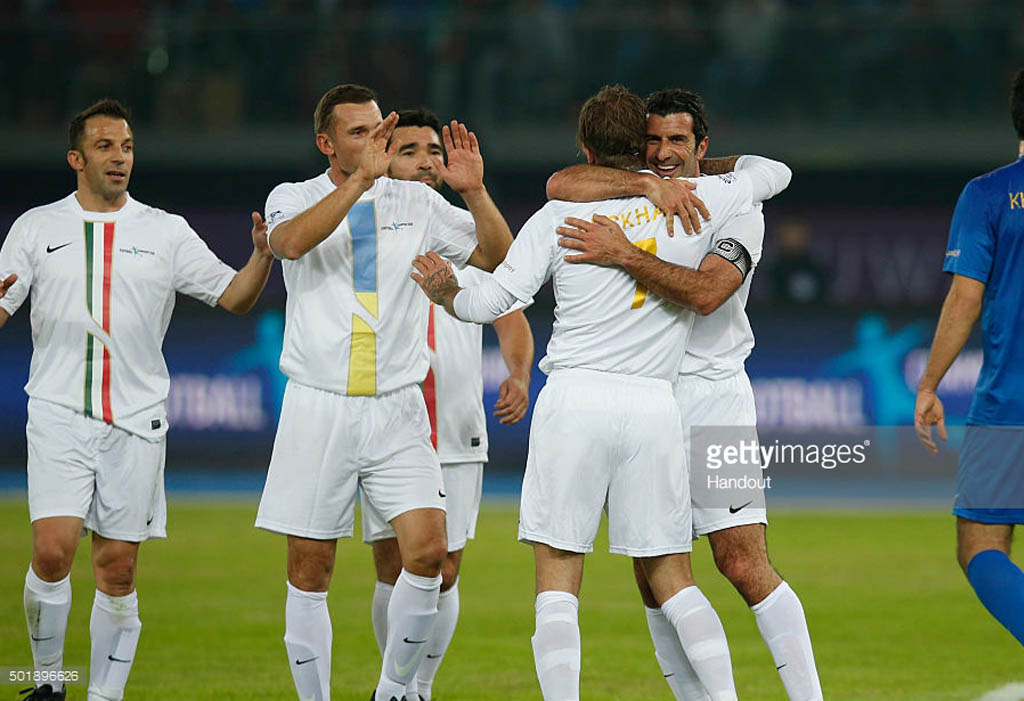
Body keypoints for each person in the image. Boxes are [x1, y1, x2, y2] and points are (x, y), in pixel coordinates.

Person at [412, 84, 791, 701]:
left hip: (577, 401)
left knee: (558, 580)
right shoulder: (696, 203)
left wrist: (445, 290)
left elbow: (491, 301)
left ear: (585, 146)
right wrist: (682, 177)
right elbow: (772, 174)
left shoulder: (561, 216)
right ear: (641, 145)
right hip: (654, 407)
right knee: (674, 579)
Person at [547, 88, 822, 701]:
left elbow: (706, 293)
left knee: (741, 561)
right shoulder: (632, 194)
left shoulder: (737, 206)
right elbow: (561, 181)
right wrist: (648, 186)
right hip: (647, 401)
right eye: (654, 141)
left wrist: (625, 254)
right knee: (653, 572)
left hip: (715, 402)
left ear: (703, 146)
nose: (665, 153)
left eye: (678, 141)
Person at [0, 98, 274, 701]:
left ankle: (105, 695)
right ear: (76, 158)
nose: (119, 157)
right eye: (104, 146)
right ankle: (48, 683)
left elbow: (233, 297)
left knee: (117, 568)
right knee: (52, 552)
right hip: (56, 412)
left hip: (136, 419)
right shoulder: (36, 227)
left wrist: (262, 255)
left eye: (126, 146)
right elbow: (3, 307)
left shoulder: (165, 231)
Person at [253, 84, 513, 701]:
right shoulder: (294, 196)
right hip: (320, 404)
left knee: (428, 552)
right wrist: (359, 183)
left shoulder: (416, 202)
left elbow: (498, 257)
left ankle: (394, 691)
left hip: (398, 406)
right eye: (357, 133)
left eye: (378, 130)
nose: (373, 142)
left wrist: (474, 192)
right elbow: (288, 245)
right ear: (326, 143)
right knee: (310, 570)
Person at [358, 108, 534, 701]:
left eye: (434, 150)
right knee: (394, 566)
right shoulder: (363, 226)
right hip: (386, 417)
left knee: (445, 567)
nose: (427, 161)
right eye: (409, 150)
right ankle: (397, 684)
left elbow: (509, 296)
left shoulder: (462, 233)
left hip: (455, 420)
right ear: (383, 153)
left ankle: (418, 687)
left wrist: (517, 372)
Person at [915, 68, 1024, 646]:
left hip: (1011, 400)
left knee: (981, 547)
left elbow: (966, 295)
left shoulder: (988, 194)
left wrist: (930, 382)